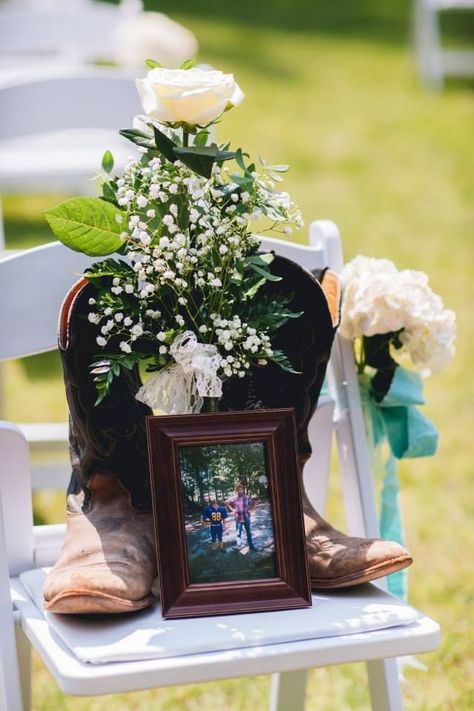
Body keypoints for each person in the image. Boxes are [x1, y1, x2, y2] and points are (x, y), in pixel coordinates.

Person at [226, 483, 257, 551]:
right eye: (238, 490)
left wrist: (251, 510)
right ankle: (239, 546)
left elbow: (255, 503)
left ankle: (251, 546)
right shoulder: (234, 498)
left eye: (241, 489)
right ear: (236, 490)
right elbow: (226, 502)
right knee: (238, 534)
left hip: (246, 518)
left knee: (248, 533)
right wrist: (232, 510)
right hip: (238, 519)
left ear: (243, 490)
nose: (240, 491)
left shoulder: (247, 497)